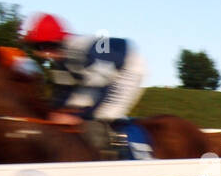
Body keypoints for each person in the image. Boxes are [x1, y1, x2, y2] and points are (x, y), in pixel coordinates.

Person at [20, 13, 150, 158]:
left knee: (104, 113)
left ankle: (114, 149)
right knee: (73, 105)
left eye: (43, 46)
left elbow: (101, 88)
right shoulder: (60, 62)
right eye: (36, 47)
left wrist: (80, 117)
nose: (42, 54)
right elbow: (61, 95)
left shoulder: (83, 49)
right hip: (100, 74)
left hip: (128, 67)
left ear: (57, 42)